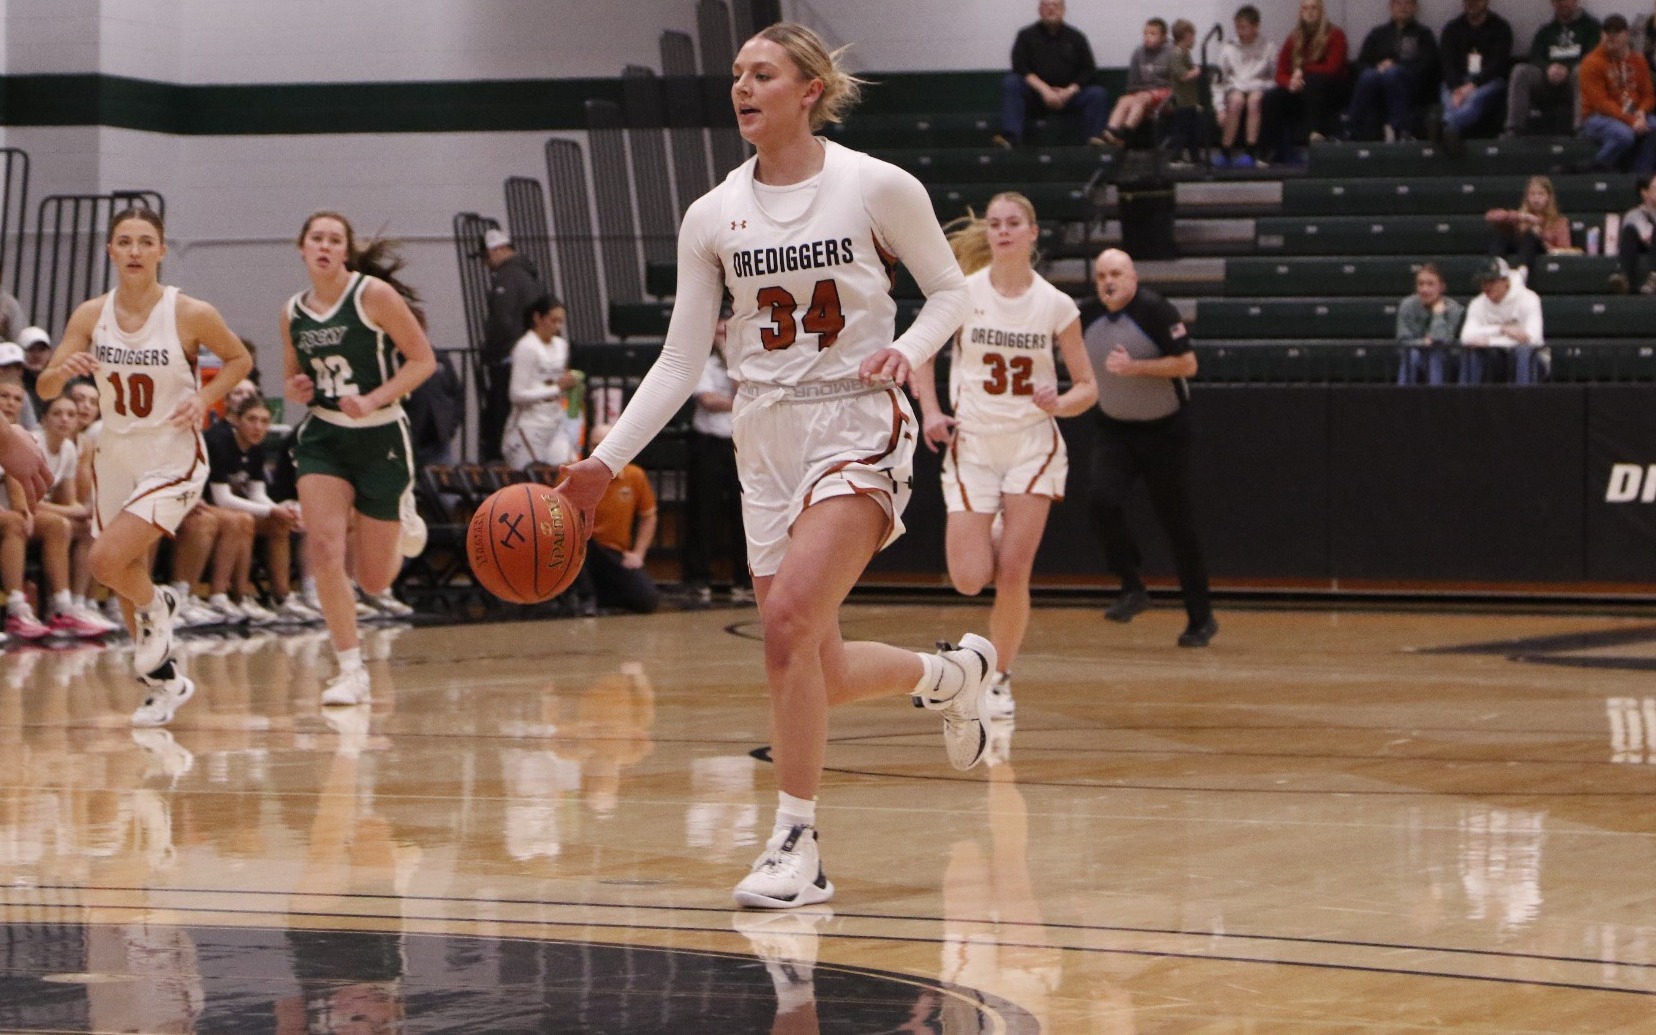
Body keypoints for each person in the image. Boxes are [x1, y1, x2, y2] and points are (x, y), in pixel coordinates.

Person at [558, 23, 989, 911]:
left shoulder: (873, 184)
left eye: (763, 74)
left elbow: (951, 290)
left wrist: (905, 351)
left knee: (787, 622)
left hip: (856, 420)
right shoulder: (712, 214)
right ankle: (951, 675)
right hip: (764, 437)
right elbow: (681, 363)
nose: (742, 88)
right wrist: (603, 463)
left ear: (809, 89)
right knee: (815, 667)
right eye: (735, 76)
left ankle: (798, 842)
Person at [35, 206, 253, 726]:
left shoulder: (189, 312)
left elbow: (239, 359)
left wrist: (205, 398)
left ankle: (162, 606)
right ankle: (164, 683)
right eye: (125, 242)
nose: (134, 250)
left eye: (144, 241)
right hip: (116, 454)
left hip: (171, 452)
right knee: (123, 570)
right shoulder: (91, 315)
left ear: (161, 250)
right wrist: (60, 370)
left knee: (106, 562)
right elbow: (44, 388)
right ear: (111, 251)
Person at [910, 193, 1097, 720]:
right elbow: (921, 353)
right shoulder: (962, 294)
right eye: (995, 224)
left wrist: (1058, 402)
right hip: (972, 446)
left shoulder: (1056, 305)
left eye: (1014, 223)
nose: (1004, 231)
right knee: (969, 578)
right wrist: (930, 412)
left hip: (1032, 446)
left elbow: (1088, 386)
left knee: (1014, 572)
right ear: (988, 234)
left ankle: (999, 680)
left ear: (1033, 233)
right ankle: (994, 527)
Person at [281, 211, 437, 706]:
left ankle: (405, 512)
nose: (324, 246)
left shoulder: (373, 296)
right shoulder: (292, 312)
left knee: (374, 579)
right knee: (324, 548)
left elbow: (423, 360)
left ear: (344, 251)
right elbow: (293, 381)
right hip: (324, 437)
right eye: (316, 238)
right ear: (302, 248)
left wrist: (374, 398)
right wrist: (300, 386)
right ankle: (350, 668)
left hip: (381, 436)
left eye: (334, 239)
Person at [1081, 248, 1216, 648]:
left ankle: (1200, 618)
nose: (1109, 281)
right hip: (1114, 430)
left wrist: (1137, 367)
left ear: (1133, 276)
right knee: (1101, 501)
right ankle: (1132, 586)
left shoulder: (1156, 311)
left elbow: (1188, 365)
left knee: (1177, 525)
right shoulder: (1084, 316)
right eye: (1102, 274)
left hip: (1165, 432)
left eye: (1117, 273)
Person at [205, 394, 314, 623]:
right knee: (243, 520)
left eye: (264, 421)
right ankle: (227, 596)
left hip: (232, 510)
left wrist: (282, 512)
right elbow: (221, 498)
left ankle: (281, 598)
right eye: (252, 419)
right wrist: (272, 511)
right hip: (206, 506)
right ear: (237, 420)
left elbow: (257, 493)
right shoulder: (219, 441)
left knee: (280, 522)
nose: (258, 427)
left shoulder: (255, 447)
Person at [683, 315, 752, 605]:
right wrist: (738, 402)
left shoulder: (744, 363)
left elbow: (744, 391)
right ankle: (698, 580)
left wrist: (730, 358)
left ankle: (745, 582)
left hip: (740, 445)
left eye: (728, 331)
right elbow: (708, 402)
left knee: (744, 515)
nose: (723, 336)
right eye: (719, 331)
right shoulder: (702, 362)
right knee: (703, 512)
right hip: (708, 444)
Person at [569, 423, 661, 616]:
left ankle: (600, 594)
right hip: (583, 549)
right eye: (594, 445)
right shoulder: (575, 475)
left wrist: (638, 553)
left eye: (605, 444)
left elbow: (649, 517)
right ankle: (586, 596)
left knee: (647, 599)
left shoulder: (635, 476)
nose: (599, 450)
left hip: (615, 552)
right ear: (588, 448)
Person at [997, 0, 1109, 148]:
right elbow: (1020, 67)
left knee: (1097, 94)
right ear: (1039, 10)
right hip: (1036, 96)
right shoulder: (1025, 36)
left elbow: (1089, 71)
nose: (1050, 9)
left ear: (1063, 10)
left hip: (1069, 97)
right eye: (1046, 5)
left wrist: (1068, 92)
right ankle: (1011, 137)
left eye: (1055, 5)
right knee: (1011, 82)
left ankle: (1095, 141)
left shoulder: (1077, 37)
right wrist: (1045, 90)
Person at [479, 227, 544, 462]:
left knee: (501, 415)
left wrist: (491, 351)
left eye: (486, 257)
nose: (486, 264)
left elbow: (502, 321)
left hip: (508, 359)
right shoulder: (530, 275)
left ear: (498, 249)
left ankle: (502, 466)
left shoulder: (507, 277)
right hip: (528, 358)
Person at [1262, 0, 1351, 162]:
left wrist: (1302, 72)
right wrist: (1291, 82)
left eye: (1314, 8)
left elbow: (1333, 68)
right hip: (1301, 89)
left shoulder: (1336, 35)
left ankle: (1314, 134)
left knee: (1314, 81)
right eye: (1305, 8)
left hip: (1330, 89)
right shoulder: (1294, 38)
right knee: (1272, 97)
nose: (1309, 12)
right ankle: (1271, 149)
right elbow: (1280, 73)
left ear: (1321, 11)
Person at [1343, 0, 1440, 142]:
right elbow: (1361, 63)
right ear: (1391, 6)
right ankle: (1351, 130)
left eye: (1408, 3)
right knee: (1368, 75)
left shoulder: (1423, 34)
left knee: (1393, 74)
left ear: (1415, 7)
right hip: (1377, 83)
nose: (1403, 7)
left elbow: (1428, 65)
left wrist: (1396, 66)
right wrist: (1379, 68)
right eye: (1398, 3)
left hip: (1411, 85)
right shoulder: (1378, 33)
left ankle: (1399, 129)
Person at [502, 294, 579, 469]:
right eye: (553, 320)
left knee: (568, 472)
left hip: (555, 421)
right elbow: (516, 394)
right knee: (533, 479)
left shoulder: (561, 346)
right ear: (538, 318)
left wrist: (571, 383)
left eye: (561, 321)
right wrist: (557, 388)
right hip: (529, 424)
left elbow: (558, 380)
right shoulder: (526, 346)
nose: (557, 326)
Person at [1506, 0, 1601, 137]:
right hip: (1548, 80)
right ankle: (1513, 129)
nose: (1561, 4)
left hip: (1573, 81)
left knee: (1581, 70)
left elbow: (1593, 57)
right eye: (1557, 1)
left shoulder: (1592, 27)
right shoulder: (1546, 31)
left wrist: (1566, 69)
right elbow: (1535, 57)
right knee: (1520, 71)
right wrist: (1548, 69)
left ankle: (1581, 129)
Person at [1578, 15, 1656, 174]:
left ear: (1626, 34)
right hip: (1597, 117)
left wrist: (1641, 112)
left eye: (1617, 31)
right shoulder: (1591, 62)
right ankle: (1592, 170)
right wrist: (1632, 120)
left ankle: (1640, 177)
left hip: (1632, 113)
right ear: (1602, 34)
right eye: (1607, 31)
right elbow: (1601, 104)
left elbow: (1648, 95)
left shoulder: (1638, 60)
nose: (1611, 36)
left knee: (1654, 126)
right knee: (1624, 135)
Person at [1439, 0, 1514, 150]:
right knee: (1451, 102)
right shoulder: (1451, 29)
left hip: (1488, 82)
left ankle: (1445, 127)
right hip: (1457, 82)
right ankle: (1450, 129)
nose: (1472, 3)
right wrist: (1456, 89)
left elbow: (1497, 65)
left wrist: (1473, 85)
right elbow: (1447, 63)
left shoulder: (1500, 28)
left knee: (1474, 100)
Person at [1459, 256, 1545, 384]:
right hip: (1494, 359)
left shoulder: (1529, 298)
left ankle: (1524, 400)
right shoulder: (1477, 303)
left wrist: (1488, 340)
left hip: (1531, 361)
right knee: (1472, 353)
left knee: (1524, 351)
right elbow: (1466, 337)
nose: (1487, 286)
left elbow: (1533, 339)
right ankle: (1465, 400)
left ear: (1505, 281)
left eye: (1492, 281)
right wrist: (1502, 329)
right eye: (1483, 282)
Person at [1214, 5, 1277, 169]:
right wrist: (1219, 107)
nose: (1240, 32)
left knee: (1254, 101)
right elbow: (1218, 80)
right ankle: (1225, 151)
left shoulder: (1268, 47)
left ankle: (1250, 151)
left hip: (1259, 86)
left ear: (1256, 26)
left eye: (1244, 27)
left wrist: (1263, 86)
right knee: (1235, 101)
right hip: (1236, 87)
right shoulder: (1229, 48)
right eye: (1237, 27)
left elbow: (1275, 77)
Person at [1102, 19, 1176, 146]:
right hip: (1143, 96)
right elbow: (1133, 84)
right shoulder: (1138, 53)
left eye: (1153, 34)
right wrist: (1137, 94)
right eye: (1145, 33)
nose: (1147, 37)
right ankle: (1111, 131)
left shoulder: (1172, 52)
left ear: (1164, 36)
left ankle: (1125, 135)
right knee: (1124, 100)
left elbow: (1176, 84)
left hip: (1167, 96)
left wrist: (1151, 94)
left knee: (1142, 98)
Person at [1486, 176, 1572, 276]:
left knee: (1531, 235)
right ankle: (1495, 266)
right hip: (1518, 247)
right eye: (1532, 194)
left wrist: (1541, 238)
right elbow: (1490, 216)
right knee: (1503, 233)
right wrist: (1522, 217)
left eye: (1540, 194)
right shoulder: (1519, 217)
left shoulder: (1559, 221)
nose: (1536, 198)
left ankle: (1523, 272)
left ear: (1548, 197)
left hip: (1540, 250)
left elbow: (1565, 249)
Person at [1396, 263, 1466, 385]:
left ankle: (1435, 400)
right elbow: (1402, 342)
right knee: (1411, 354)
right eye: (1420, 284)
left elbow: (1443, 341)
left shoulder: (1454, 309)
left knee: (1435, 353)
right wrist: (1424, 343)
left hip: (1447, 360)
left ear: (1442, 287)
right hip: (1417, 356)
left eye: (1430, 284)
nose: (1424, 289)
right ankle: (1402, 399)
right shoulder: (1407, 305)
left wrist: (1438, 315)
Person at [1165, 20, 1205, 162]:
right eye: (1192, 36)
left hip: (1190, 100)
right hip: (1182, 101)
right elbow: (1182, 75)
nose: (1194, 39)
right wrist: (1197, 71)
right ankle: (1176, 157)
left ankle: (1195, 156)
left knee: (1192, 131)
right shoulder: (1177, 54)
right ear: (1185, 35)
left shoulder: (1185, 53)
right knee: (1181, 131)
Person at [1613, 172, 1656, 293]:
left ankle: (1654, 277)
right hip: (1642, 245)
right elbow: (1643, 235)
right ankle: (1624, 277)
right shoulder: (1634, 214)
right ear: (1645, 192)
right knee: (1629, 230)